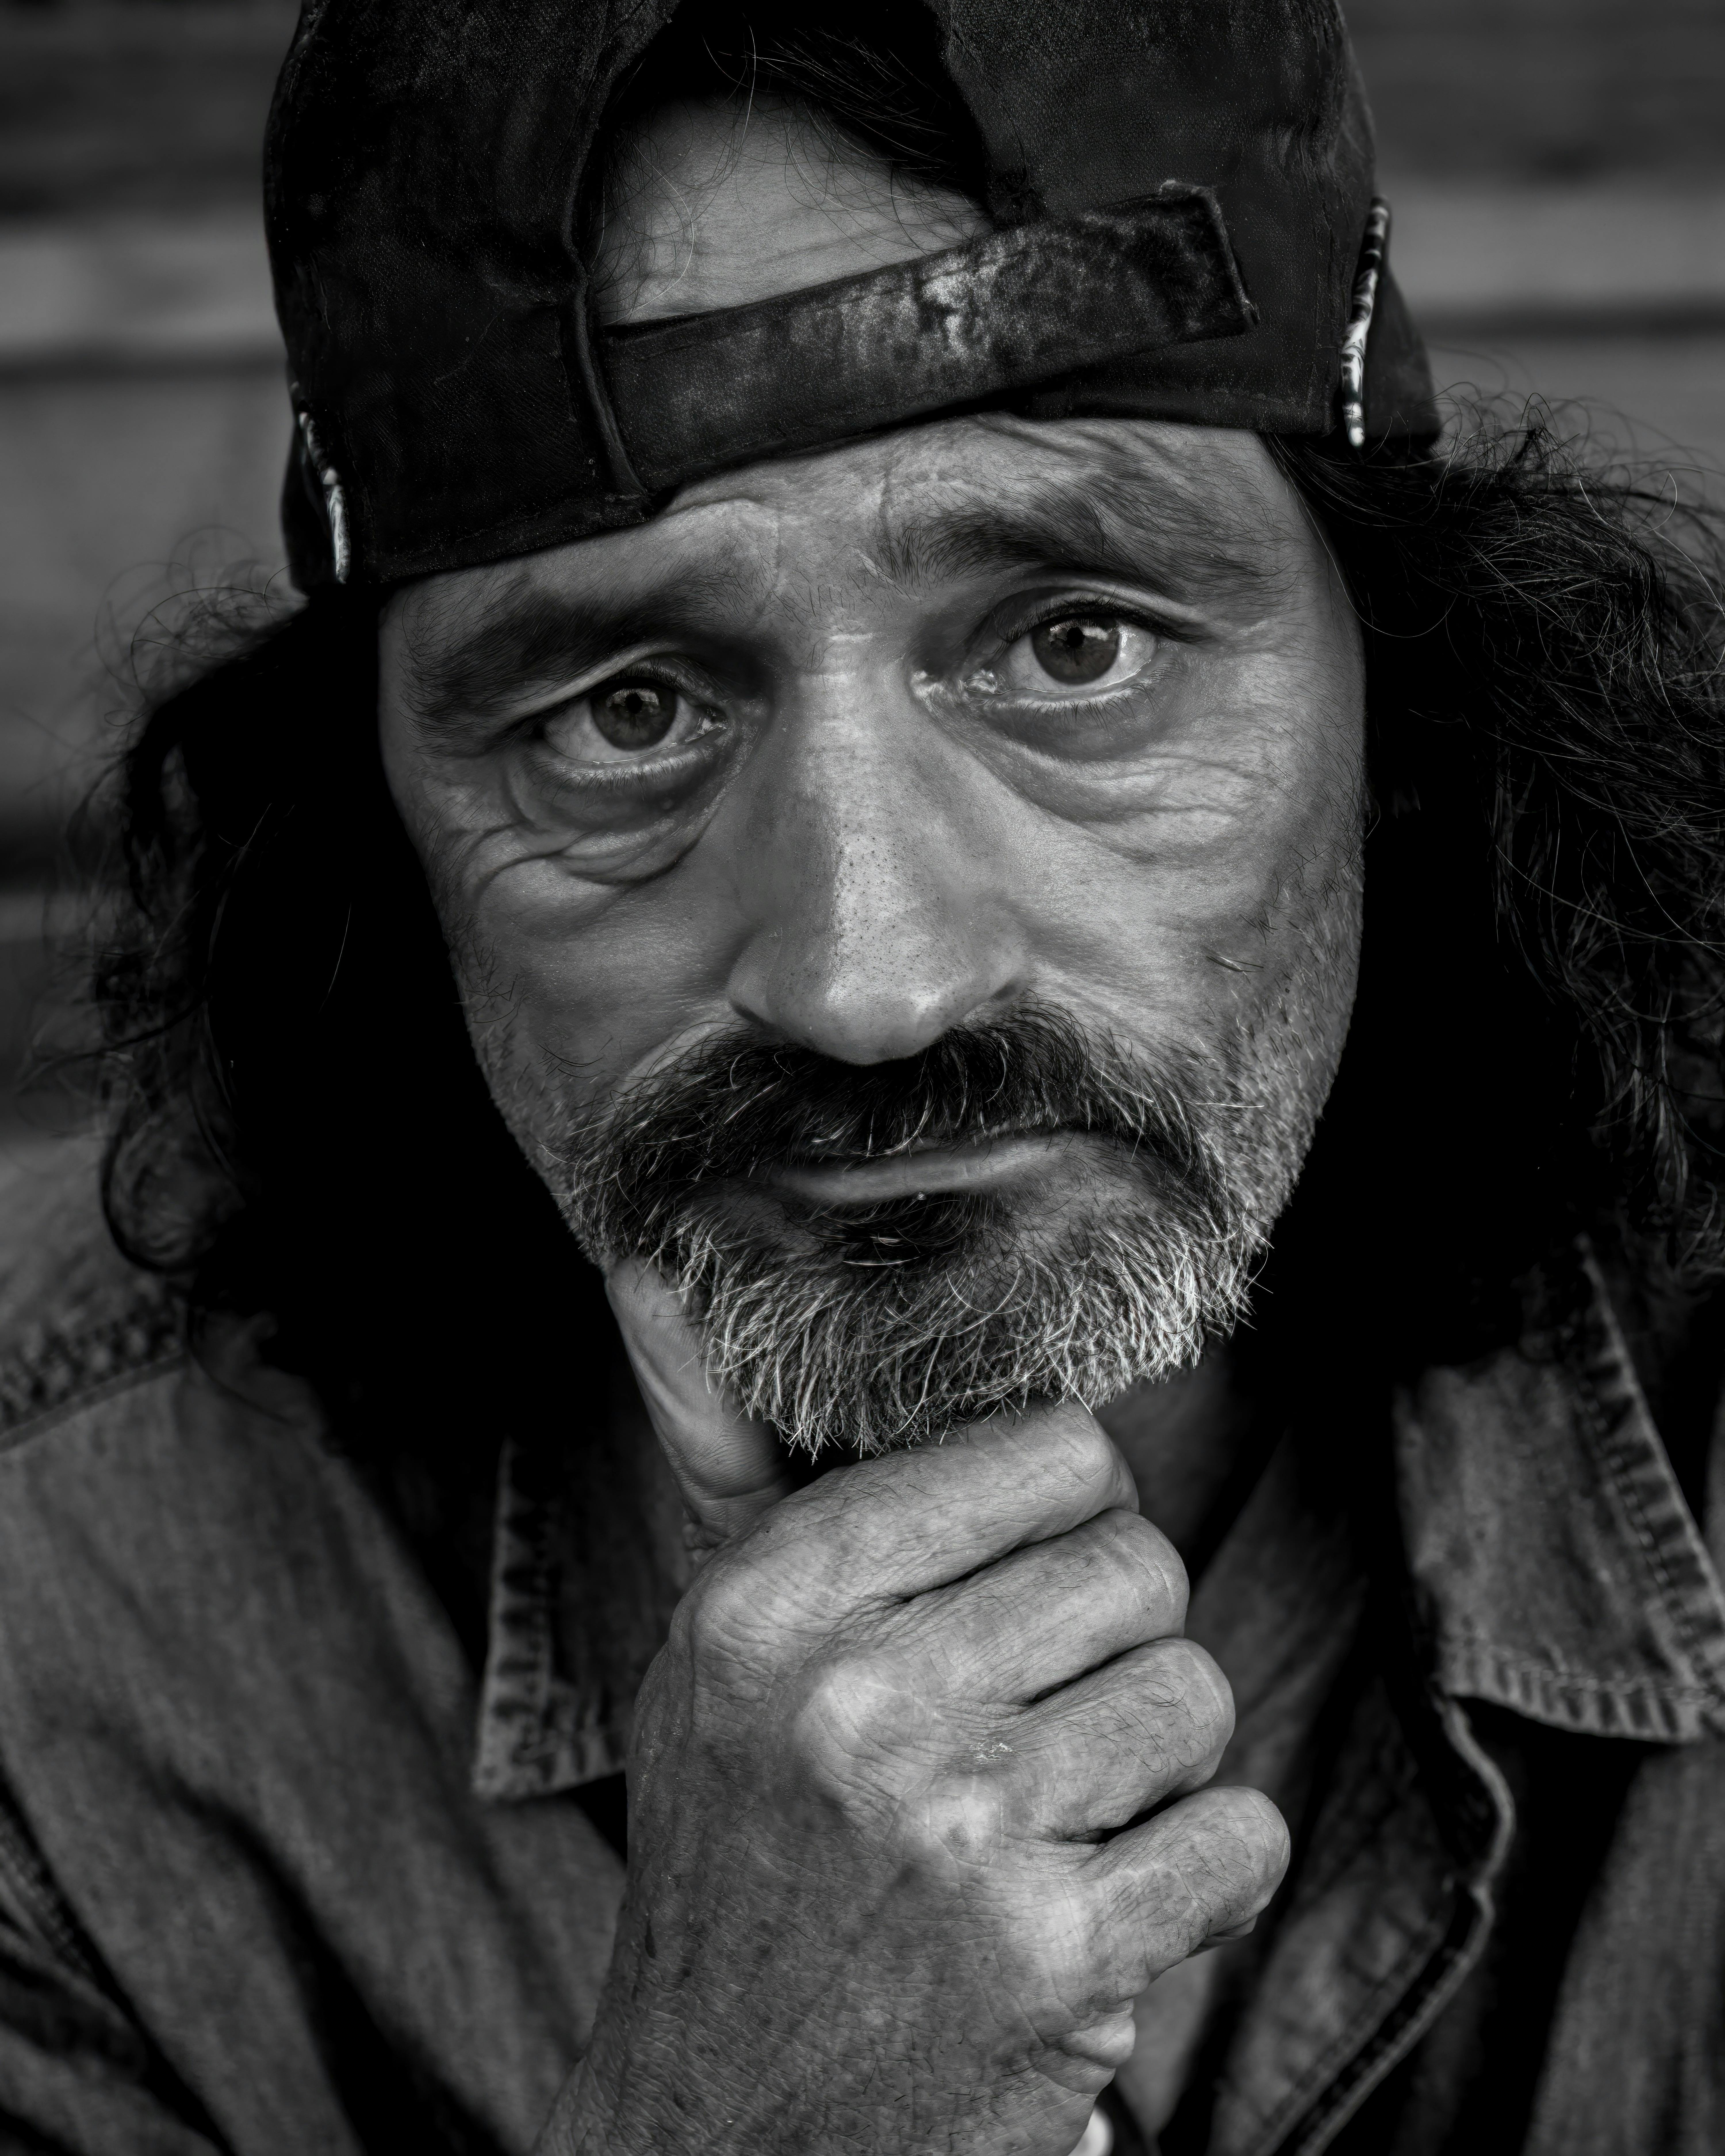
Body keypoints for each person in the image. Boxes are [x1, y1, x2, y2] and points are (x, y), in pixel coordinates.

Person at [3, 1, 1724, 2150]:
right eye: (625, 716)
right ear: (380, 843)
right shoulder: (43, 1638)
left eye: (1073, 647)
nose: (869, 984)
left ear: (1407, 706)